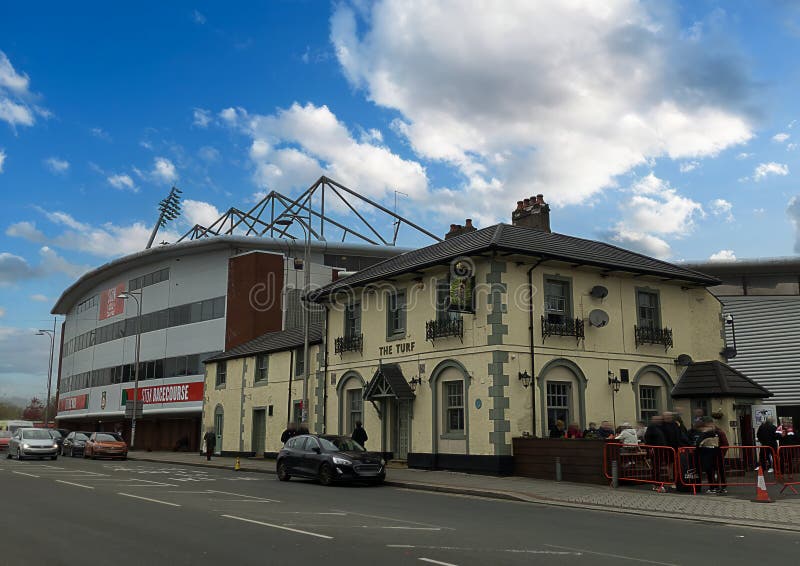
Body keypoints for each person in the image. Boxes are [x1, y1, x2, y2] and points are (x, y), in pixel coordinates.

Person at [696, 417, 725, 494]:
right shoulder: (717, 432)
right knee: (718, 470)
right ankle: (722, 486)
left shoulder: (705, 433)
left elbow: (698, 443)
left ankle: (713, 487)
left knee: (710, 471)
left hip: (708, 453)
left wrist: (698, 450)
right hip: (717, 452)